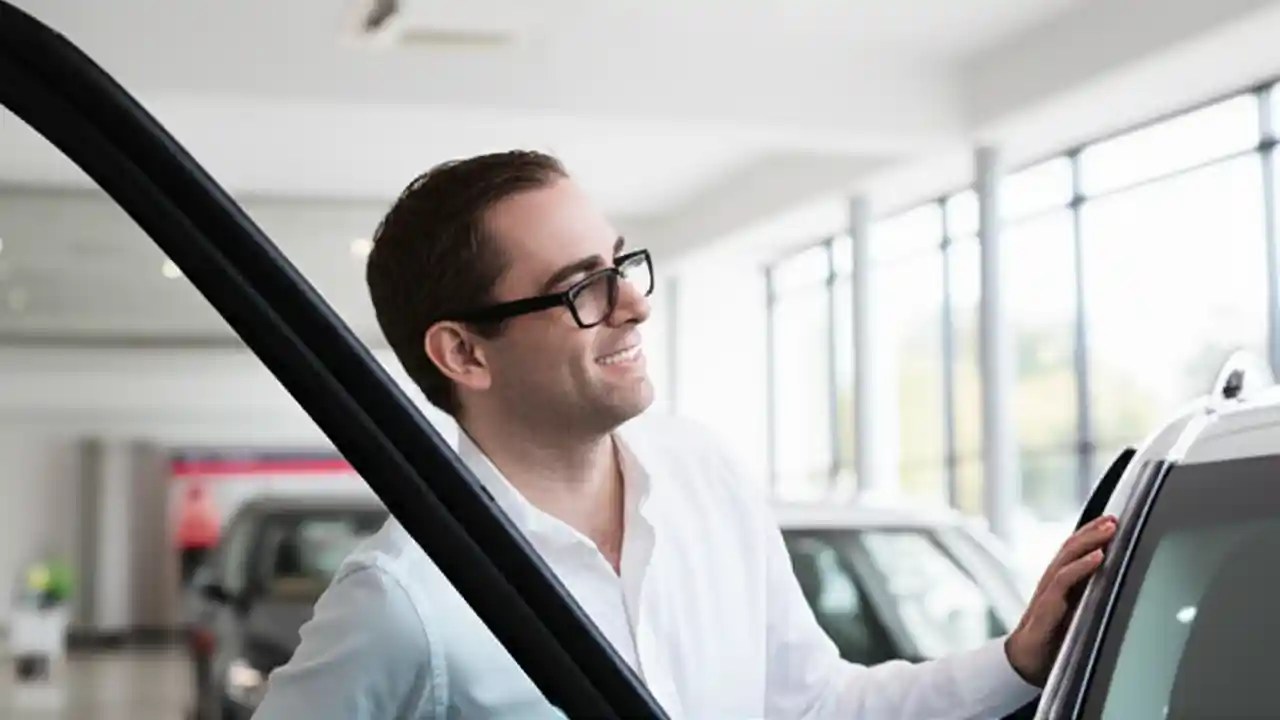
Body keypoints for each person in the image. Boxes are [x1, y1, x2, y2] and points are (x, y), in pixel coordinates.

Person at [251, 151, 1116, 719]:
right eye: (581, 288)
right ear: (464, 352)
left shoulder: (703, 471)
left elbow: (810, 704)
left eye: (620, 263)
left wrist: (1015, 662)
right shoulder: (404, 601)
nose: (635, 302)